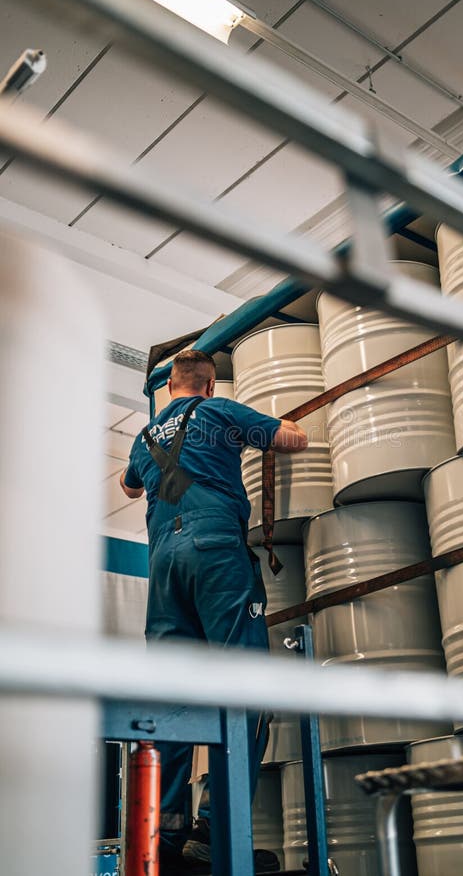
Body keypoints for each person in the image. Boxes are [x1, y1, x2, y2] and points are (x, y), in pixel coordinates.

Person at [120, 349, 308, 876]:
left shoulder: (144, 437)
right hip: (214, 553)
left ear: (171, 387)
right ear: (207, 385)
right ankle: (217, 829)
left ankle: (167, 831)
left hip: (163, 567)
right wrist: (287, 422)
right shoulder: (219, 411)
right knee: (243, 685)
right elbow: (292, 439)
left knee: (174, 696)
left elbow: (128, 485)